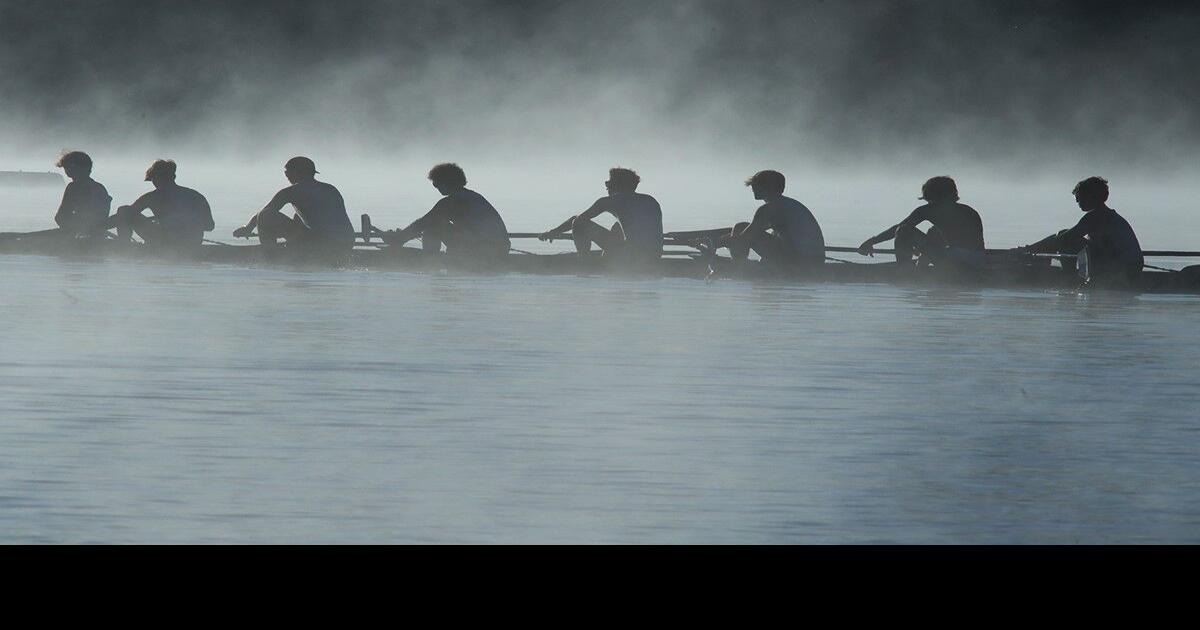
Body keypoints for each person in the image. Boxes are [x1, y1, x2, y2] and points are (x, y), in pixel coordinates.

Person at [1016, 177, 1143, 283]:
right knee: (1067, 238)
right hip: (1127, 266)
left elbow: (1062, 239)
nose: (1077, 200)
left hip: (1123, 270)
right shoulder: (1106, 214)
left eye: (1080, 197)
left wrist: (1028, 249)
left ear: (1092, 196)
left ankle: (1069, 278)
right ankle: (1072, 276)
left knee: (1068, 240)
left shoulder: (1097, 217)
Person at [383, 163, 510, 260]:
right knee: (437, 224)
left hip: (484, 250)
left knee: (432, 227)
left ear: (446, 182)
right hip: (501, 248)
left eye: (436, 183)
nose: (436, 187)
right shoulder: (474, 196)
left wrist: (398, 238)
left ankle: (430, 261)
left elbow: (424, 222)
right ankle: (444, 256)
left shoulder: (453, 201)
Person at [233, 157, 355, 255]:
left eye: (287, 172)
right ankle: (291, 248)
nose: (286, 175)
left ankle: (269, 255)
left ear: (297, 173)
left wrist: (248, 228)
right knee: (297, 217)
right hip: (347, 243)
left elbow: (264, 212)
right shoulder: (331, 189)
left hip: (321, 244)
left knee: (266, 215)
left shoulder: (291, 192)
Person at [539, 167, 663, 263]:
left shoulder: (609, 201)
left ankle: (584, 262)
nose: (606, 186)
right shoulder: (650, 200)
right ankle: (606, 259)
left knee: (579, 223)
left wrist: (554, 232)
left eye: (608, 183)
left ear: (617, 185)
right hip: (654, 256)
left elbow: (577, 220)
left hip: (631, 257)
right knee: (617, 228)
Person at [857, 176, 985, 268]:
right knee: (933, 231)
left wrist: (871, 241)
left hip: (956, 260)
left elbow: (898, 228)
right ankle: (921, 267)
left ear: (932, 195)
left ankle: (904, 272)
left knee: (904, 230)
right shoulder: (969, 210)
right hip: (977, 259)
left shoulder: (929, 210)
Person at [716, 170, 825, 267]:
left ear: (768, 187)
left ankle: (738, 267)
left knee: (740, 227)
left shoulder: (768, 209)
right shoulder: (790, 204)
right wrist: (729, 237)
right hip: (815, 259)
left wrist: (716, 243)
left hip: (798, 261)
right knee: (741, 231)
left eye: (757, 184)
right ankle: (744, 264)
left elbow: (744, 237)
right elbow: (751, 232)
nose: (752, 187)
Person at [110, 160, 214, 250]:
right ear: (173, 177)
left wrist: (100, 226)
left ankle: (124, 247)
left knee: (124, 210)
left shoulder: (152, 197)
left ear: (157, 178)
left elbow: (125, 215)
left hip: (166, 241)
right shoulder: (195, 196)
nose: (153, 183)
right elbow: (209, 226)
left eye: (153, 179)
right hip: (193, 242)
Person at [53, 151, 111, 237]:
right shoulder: (100, 187)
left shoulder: (73, 187)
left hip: (81, 233)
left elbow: (60, 217)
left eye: (67, 167)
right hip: (99, 232)